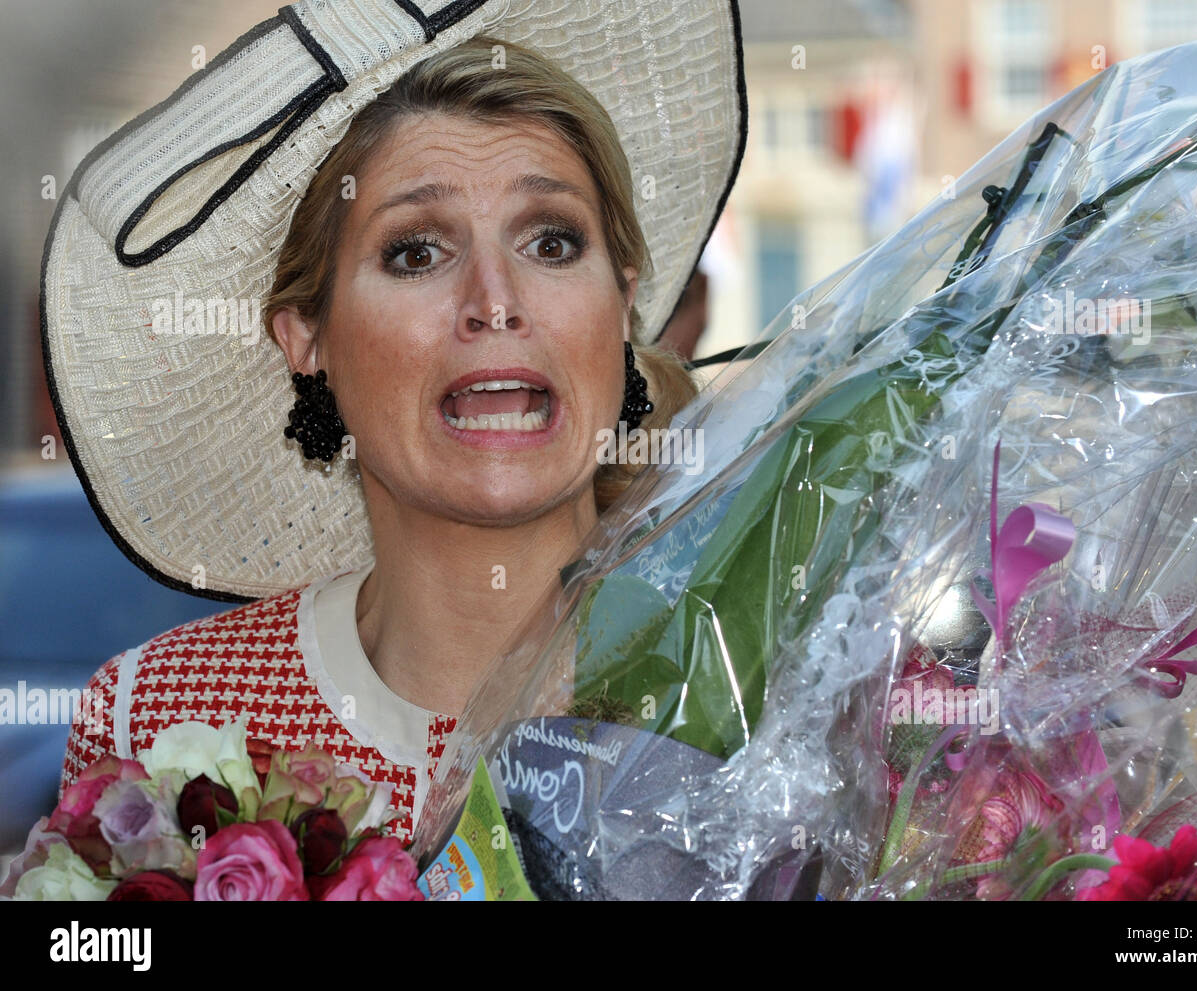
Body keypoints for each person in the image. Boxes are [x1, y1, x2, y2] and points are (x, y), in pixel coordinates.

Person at [43, 1, 746, 844]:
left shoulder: (758, 676)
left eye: (551, 243)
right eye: (416, 250)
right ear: (309, 338)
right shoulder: (159, 723)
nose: (496, 301)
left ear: (623, 303)